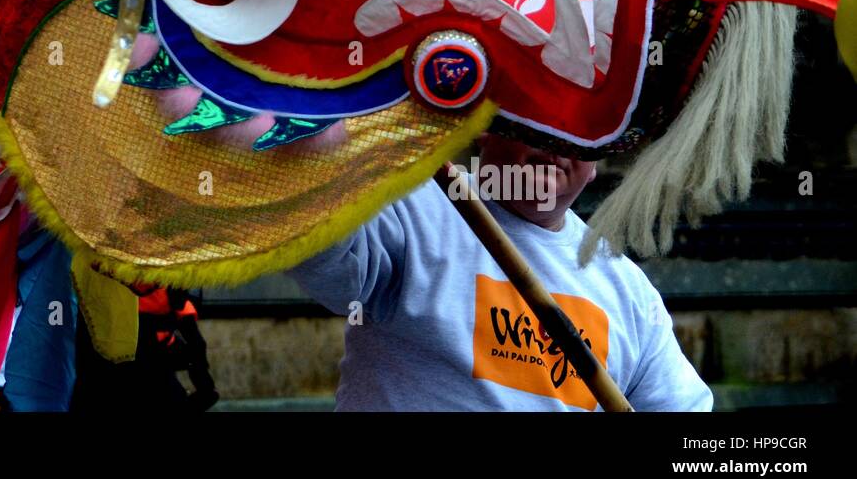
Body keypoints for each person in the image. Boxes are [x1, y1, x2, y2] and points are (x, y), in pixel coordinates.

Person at [288, 132, 713, 411]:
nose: (557, 145)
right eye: (541, 123)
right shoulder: (409, 208)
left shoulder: (628, 290)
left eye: (582, 133)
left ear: (596, 160)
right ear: (487, 127)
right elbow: (321, 254)